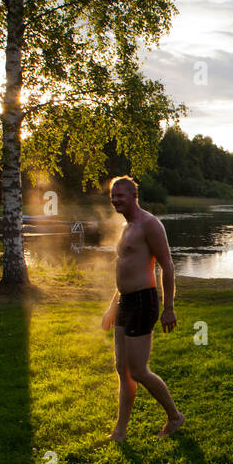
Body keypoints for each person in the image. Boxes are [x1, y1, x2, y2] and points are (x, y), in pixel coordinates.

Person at [101, 175, 184, 440]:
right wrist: (112, 307)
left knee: (138, 370)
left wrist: (168, 307)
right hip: (125, 302)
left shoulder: (150, 224)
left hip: (143, 301)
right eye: (112, 196)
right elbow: (124, 270)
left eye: (120, 196)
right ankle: (120, 431)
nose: (115, 200)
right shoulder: (126, 227)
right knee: (121, 369)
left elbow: (167, 265)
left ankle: (175, 417)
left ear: (133, 196)